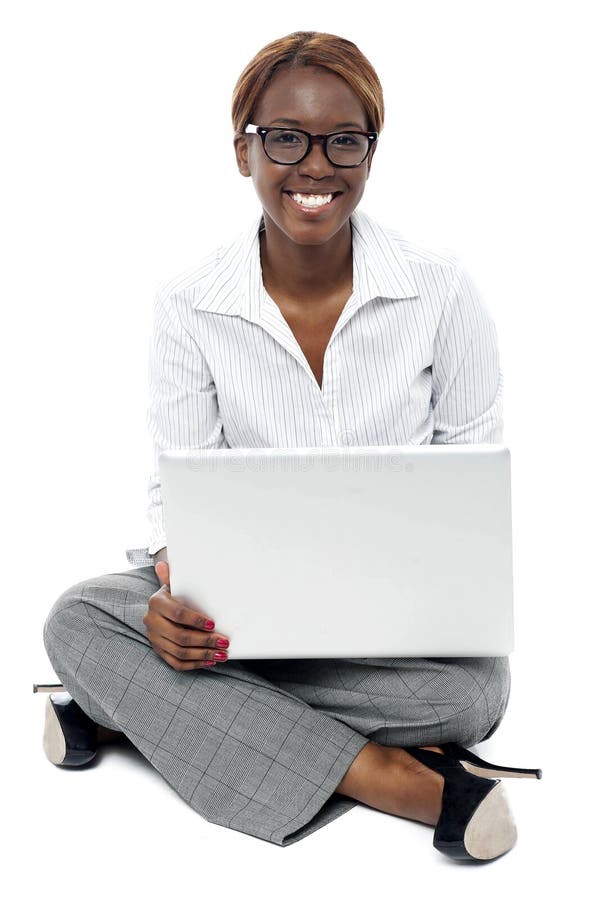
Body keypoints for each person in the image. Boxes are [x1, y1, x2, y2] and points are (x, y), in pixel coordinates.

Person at [42, 30, 541, 859]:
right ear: (243, 151)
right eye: (284, 138)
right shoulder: (188, 303)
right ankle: (393, 778)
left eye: (343, 140)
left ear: (370, 153)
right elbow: (177, 485)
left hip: (398, 624)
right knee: (79, 618)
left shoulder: (442, 290)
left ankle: (121, 709)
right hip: (240, 618)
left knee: (472, 694)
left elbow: (470, 485)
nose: (314, 166)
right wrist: (171, 586)